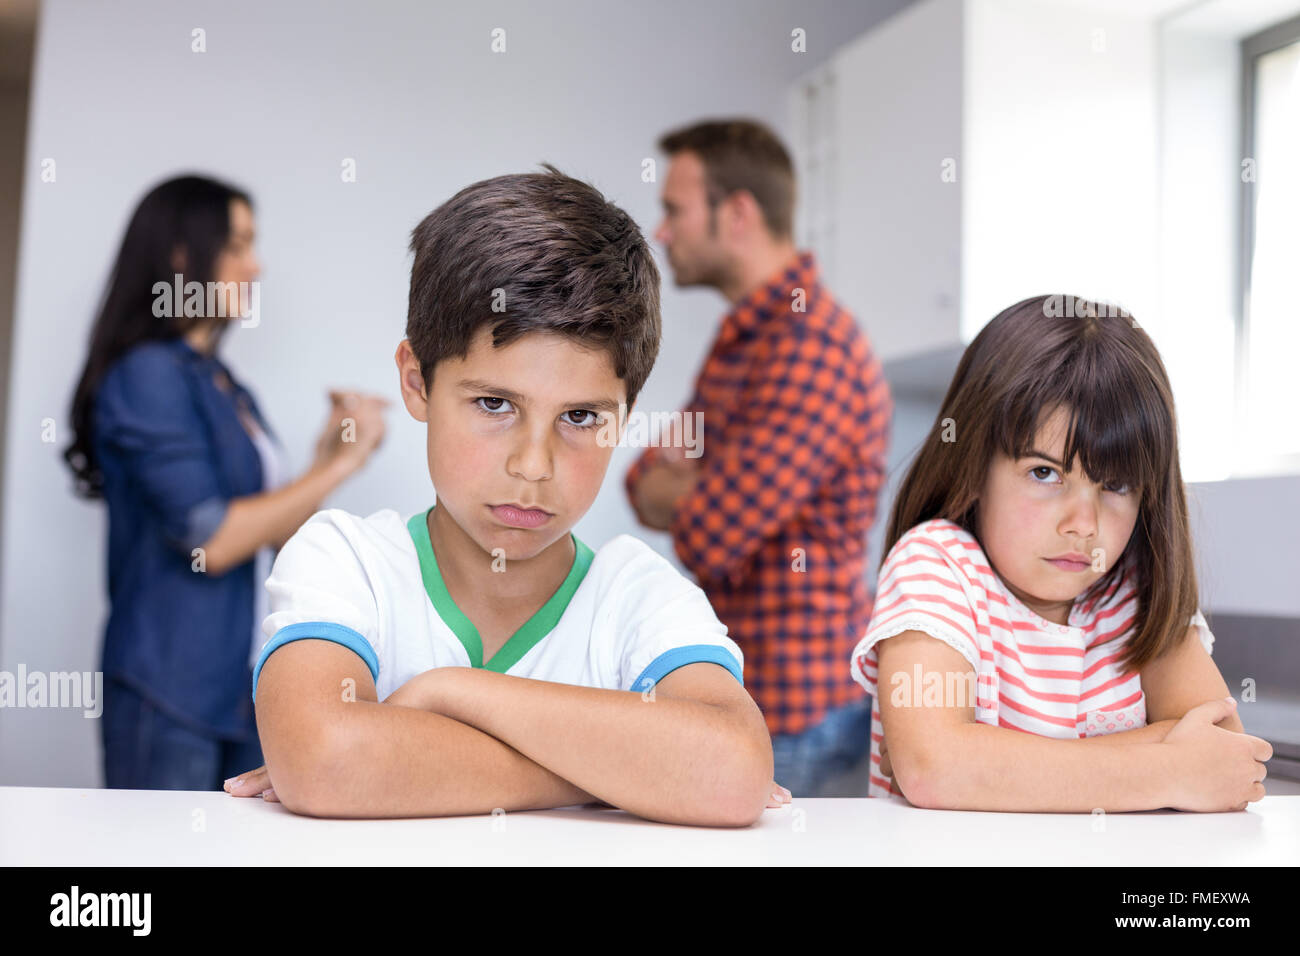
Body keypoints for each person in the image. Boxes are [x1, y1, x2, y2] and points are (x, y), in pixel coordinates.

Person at [223, 164, 788, 824]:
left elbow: (732, 772)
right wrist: (618, 771)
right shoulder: (346, 561)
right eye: (495, 404)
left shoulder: (639, 594)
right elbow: (326, 763)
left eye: (580, 417)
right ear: (417, 383)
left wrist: (445, 694)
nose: (532, 465)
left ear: (625, 418)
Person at [851, 294, 1272, 811]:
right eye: (1045, 473)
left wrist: (992, 760)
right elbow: (936, 768)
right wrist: (1168, 768)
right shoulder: (936, 565)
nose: (1084, 525)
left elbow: (1226, 751)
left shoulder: (1135, 590)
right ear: (975, 469)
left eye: (1115, 484)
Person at [64, 174, 388, 791]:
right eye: (237, 246)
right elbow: (210, 542)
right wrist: (339, 466)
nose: (255, 267)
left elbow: (270, 533)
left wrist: (332, 450)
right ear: (182, 256)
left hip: (237, 694)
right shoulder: (148, 376)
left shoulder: (223, 383)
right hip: (169, 690)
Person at [624, 119, 893, 796]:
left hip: (796, 710)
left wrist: (688, 486)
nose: (661, 231)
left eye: (674, 209)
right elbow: (639, 480)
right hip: (755, 697)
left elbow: (713, 534)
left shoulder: (811, 345)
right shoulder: (748, 337)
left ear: (737, 212)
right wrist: (694, 483)